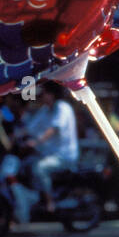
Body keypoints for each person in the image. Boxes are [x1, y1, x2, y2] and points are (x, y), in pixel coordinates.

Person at [20, 80, 79, 214]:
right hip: (49, 154)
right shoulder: (46, 110)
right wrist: (15, 135)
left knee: (39, 168)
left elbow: (54, 129)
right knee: (26, 165)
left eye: (44, 93)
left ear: (52, 94)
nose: (41, 96)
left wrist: (36, 142)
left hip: (64, 156)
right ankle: (37, 195)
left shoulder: (62, 108)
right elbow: (30, 127)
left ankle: (49, 201)